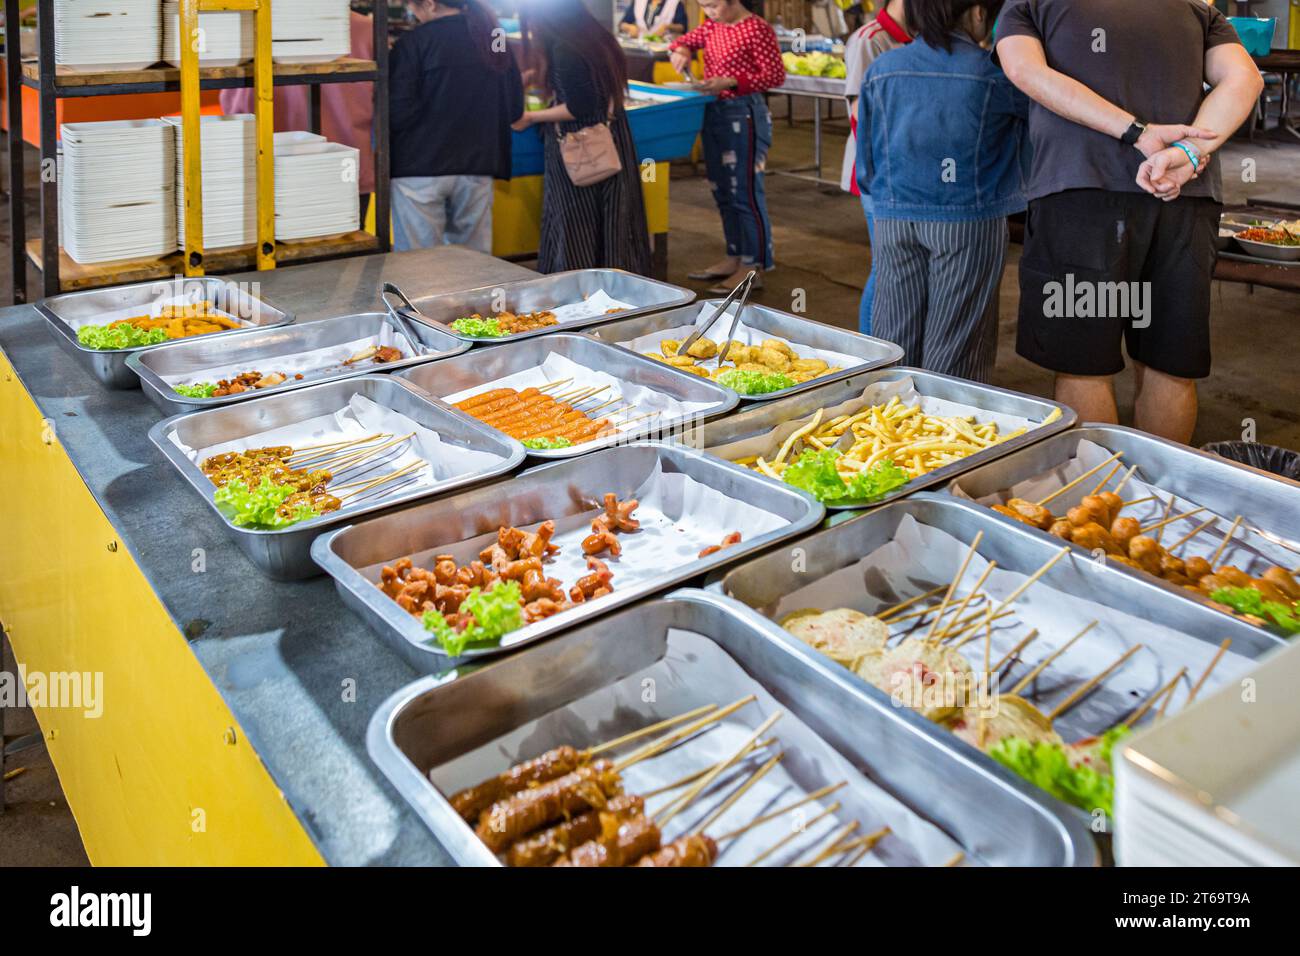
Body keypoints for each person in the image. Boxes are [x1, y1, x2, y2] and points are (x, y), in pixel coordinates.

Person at [996, 0, 1263, 444]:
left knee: (1085, 363)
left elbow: (1026, 71)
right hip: (1183, 202)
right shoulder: (1195, 8)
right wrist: (1187, 155)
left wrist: (1137, 132)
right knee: (1168, 364)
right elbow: (1245, 79)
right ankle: (1159, 503)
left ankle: (1101, 502)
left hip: (1083, 196)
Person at [857, 0, 1028, 382]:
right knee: (956, 345)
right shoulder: (994, 75)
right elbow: (1034, 136)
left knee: (893, 338)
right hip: (968, 220)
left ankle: (886, 427)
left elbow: (865, 158)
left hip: (893, 218)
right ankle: (941, 434)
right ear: (979, 13)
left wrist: (886, 198)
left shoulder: (883, 69)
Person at [515, 0, 651, 274]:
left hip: (578, 149)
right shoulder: (594, 38)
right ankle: (614, 294)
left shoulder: (565, 49)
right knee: (613, 229)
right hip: (611, 144)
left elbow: (579, 106)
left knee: (576, 229)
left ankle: (577, 295)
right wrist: (536, 75)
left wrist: (531, 117)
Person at [387, 0, 523, 253]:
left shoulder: (413, 43)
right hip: (477, 166)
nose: (412, 13)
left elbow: (396, 112)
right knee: (474, 266)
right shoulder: (494, 39)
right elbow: (514, 108)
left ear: (429, 4)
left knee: (420, 266)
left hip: (418, 168)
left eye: (412, 7)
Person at [669, 0, 785, 294]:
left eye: (714, 5)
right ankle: (734, 255)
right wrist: (682, 50)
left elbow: (774, 75)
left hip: (744, 113)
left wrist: (731, 80)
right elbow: (684, 40)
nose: (709, 12)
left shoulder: (756, 29)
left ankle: (753, 265)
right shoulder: (712, 26)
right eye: (704, 6)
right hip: (714, 113)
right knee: (721, 189)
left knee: (744, 192)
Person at [220, 12, 375, 217]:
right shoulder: (365, 29)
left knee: (276, 240)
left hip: (274, 165)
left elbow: (235, 105)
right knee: (350, 238)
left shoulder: (251, 25)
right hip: (348, 164)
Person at [840, 0, 910, 334]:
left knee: (894, 266)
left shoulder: (916, 36)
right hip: (878, 172)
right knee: (884, 267)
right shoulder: (870, 39)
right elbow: (859, 115)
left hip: (902, 171)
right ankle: (873, 349)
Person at [619, 0, 689, 37]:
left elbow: (682, 27)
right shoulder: (639, 1)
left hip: (664, 51)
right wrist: (629, 27)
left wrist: (667, 27)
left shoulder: (675, 3)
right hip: (641, 47)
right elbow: (622, 24)